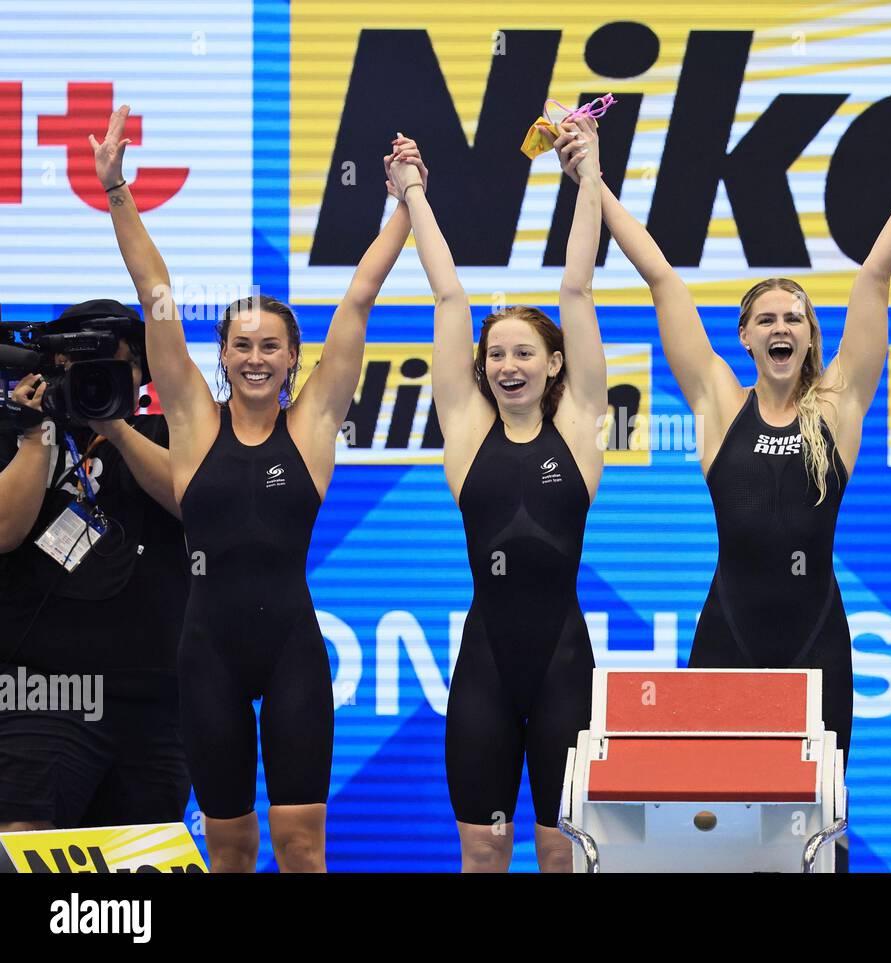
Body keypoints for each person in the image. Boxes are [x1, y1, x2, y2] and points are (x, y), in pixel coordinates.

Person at [578, 119, 891, 871]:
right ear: (744, 336)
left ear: (810, 334)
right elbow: (662, 277)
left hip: (815, 640)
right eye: (766, 317)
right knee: (710, 823)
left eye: (794, 315)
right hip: (725, 635)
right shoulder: (717, 406)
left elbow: (874, 276)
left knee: (818, 826)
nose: (781, 324)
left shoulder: (839, 409)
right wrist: (591, 182)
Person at [92, 104, 419, 871]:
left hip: (292, 653)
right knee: (231, 846)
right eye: (242, 345)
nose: (256, 357)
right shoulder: (192, 423)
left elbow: (358, 303)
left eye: (271, 344)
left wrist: (405, 207)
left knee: (302, 844)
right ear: (223, 356)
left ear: (293, 357)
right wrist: (116, 192)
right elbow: (156, 292)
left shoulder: (310, 427)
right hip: (205, 653)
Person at [408, 114, 607, 872]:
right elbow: (449, 297)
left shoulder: (582, 425)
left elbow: (577, 287)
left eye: (525, 350)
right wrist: (415, 193)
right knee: (484, 853)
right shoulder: (464, 429)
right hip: (483, 671)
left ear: (555, 363)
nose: (506, 364)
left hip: (566, 670)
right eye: (496, 354)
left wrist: (586, 178)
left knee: (561, 855)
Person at [0, 301, 190, 833]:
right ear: (51, 368)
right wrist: (36, 432)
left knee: (143, 863)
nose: (94, 379)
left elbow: (192, 500)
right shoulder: (16, 431)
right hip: (41, 692)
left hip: (154, 701)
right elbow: (4, 530)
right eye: (78, 366)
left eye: (117, 366)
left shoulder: (170, 431)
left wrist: (117, 428)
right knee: (20, 847)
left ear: (142, 375)